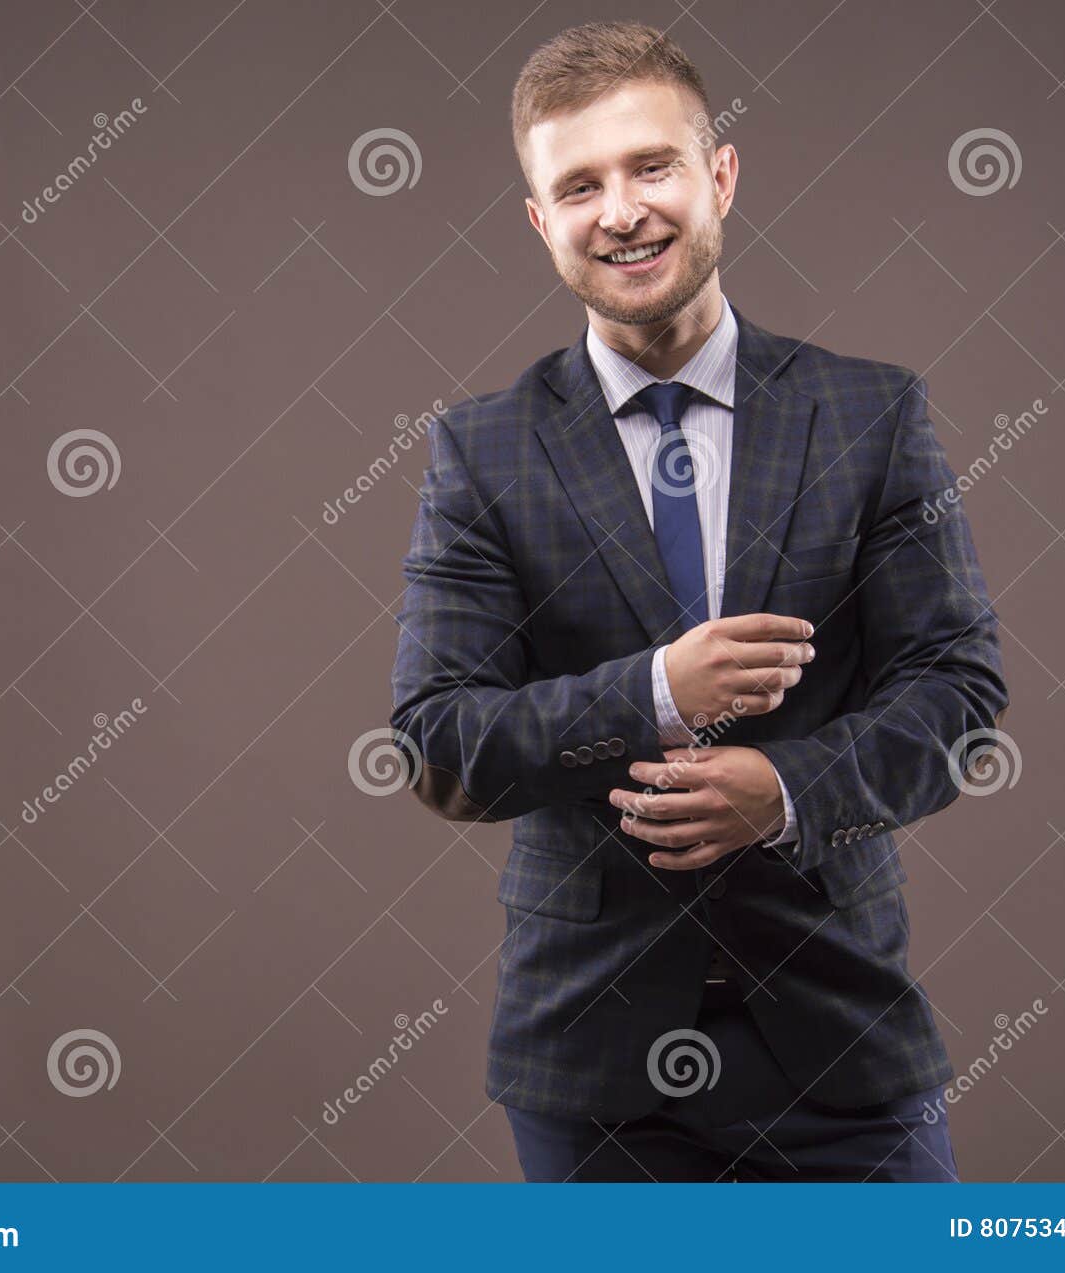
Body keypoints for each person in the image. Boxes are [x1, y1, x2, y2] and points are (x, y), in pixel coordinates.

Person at [389, 19, 1009, 1182]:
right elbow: (440, 743)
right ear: (540, 222)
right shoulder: (482, 452)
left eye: (650, 166)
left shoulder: (868, 415)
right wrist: (653, 694)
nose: (619, 209)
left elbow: (958, 691)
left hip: (842, 1046)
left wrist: (785, 788)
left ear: (719, 173)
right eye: (578, 185)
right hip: (593, 1075)